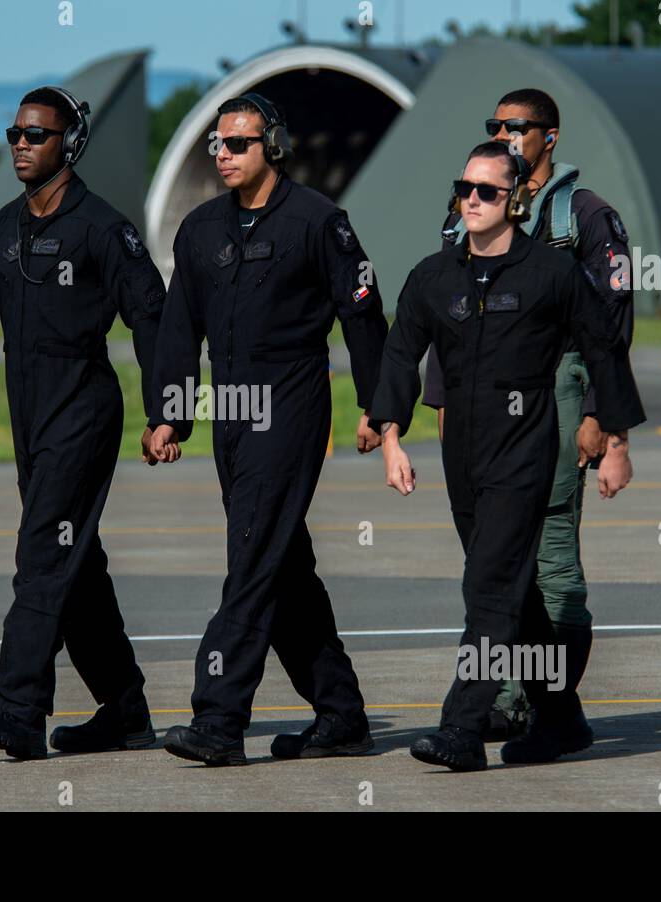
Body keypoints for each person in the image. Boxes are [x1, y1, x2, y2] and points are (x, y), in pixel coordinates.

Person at [0, 86, 165, 760]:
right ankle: (126, 709)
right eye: (16, 134)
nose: (22, 145)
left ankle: (21, 711)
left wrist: (168, 412)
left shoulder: (104, 231)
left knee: (43, 556)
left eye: (37, 135)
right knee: (76, 565)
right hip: (29, 410)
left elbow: (152, 323)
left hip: (83, 407)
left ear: (69, 144)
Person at [369, 141, 645, 770]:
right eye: (463, 188)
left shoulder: (551, 275)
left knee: (487, 587)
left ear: (515, 198)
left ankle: (461, 729)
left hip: (525, 451)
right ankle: (560, 717)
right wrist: (391, 440)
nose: (471, 199)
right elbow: (398, 354)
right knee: (514, 598)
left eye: (487, 190)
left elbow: (603, 350)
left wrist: (616, 443)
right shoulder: (433, 276)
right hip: (462, 456)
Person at [148, 94, 388, 765]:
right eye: (217, 145)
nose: (224, 155)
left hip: (290, 403)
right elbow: (177, 330)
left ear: (272, 146)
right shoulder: (199, 231)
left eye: (239, 144)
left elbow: (362, 312)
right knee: (282, 563)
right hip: (229, 408)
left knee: (252, 557)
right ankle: (341, 714)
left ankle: (219, 718)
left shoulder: (318, 222)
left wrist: (378, 402)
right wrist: (169, 413)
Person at [423, 88, 637, 742]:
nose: (507, 133)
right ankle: (533, 705)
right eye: (496, 125)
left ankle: (535, 705)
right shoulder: (468, 214)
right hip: (478, 402)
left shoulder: (586, 217)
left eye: (520, 126)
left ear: (552, 136)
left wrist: (607, 422)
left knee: (548, 560)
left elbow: (611, 326)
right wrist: (441, 401)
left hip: (559, 391)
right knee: (491, 557)